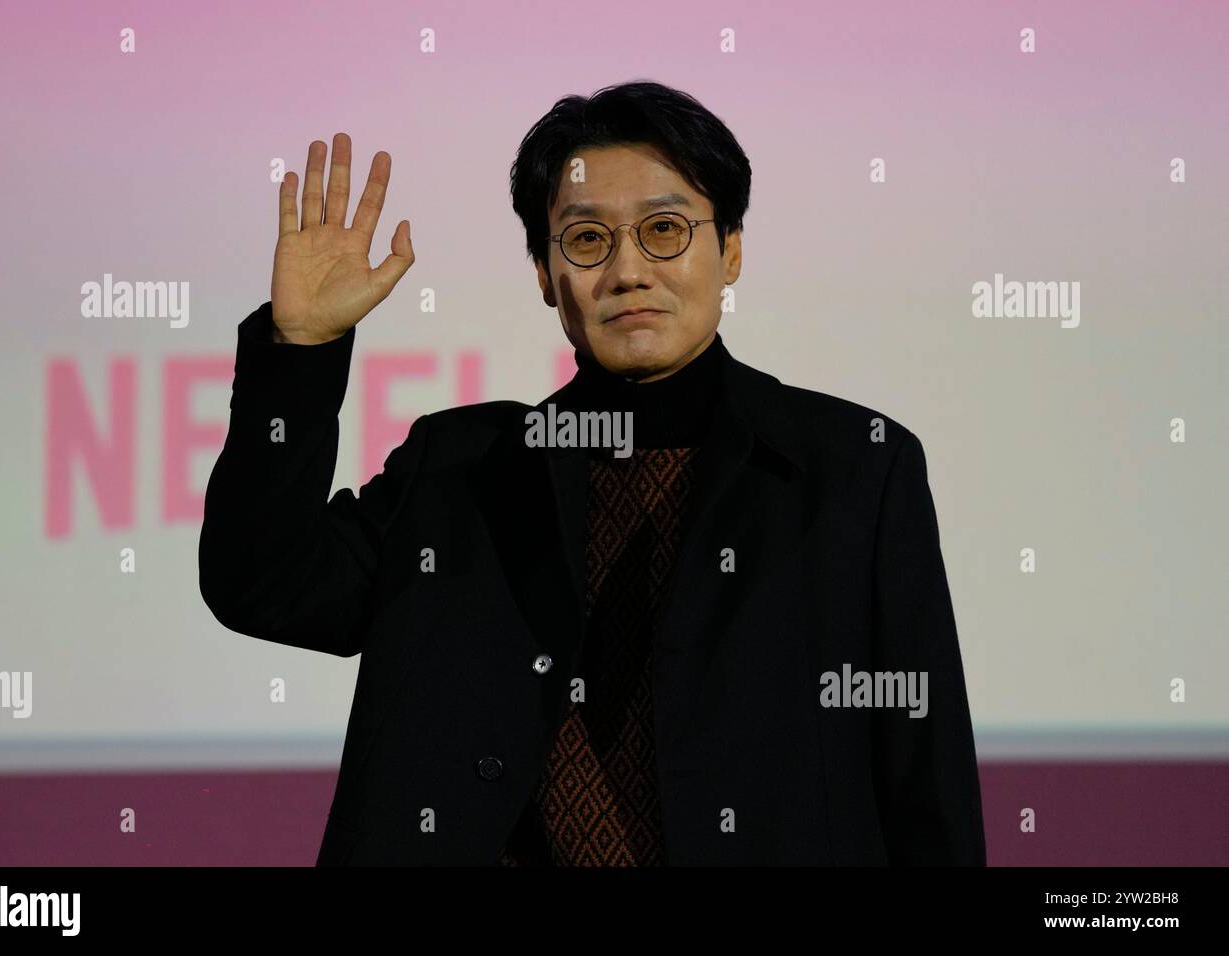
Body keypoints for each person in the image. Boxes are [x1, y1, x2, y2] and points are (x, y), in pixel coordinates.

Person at [198, 81, 986, 866]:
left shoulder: (853, 468)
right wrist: (297, 352)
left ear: (732, 251)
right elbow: (264, 584)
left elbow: (927, 782)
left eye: (666, 230)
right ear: (545, 274)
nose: (629, 271)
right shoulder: (458, 473)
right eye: (585, 241)